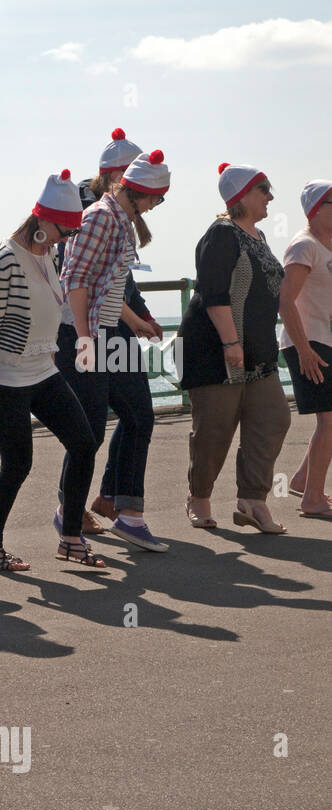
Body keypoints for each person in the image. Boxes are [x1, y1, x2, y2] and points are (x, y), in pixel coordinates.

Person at [0, 171, 104, 569]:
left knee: (83, 443)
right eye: (65, 229)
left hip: (43, 372)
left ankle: (70, 538)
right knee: (17, 465)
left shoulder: (47, 253)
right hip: (6, 380)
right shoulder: (4, 260)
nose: (67, 237)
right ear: (43, 220)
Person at [59, 148, 171, 552]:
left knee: (138, 415)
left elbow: (108, 283)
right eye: (157, 199)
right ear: (140, 193)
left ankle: (128, 515)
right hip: (84, 336)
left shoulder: (119, 219)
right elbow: (73, 278)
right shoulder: (100, 217)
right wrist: (87, 340)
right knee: (87, 433)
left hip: (106, 332)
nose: (156, 207)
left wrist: (136, 320)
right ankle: (71, 522)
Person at [178, 164, 289, 534]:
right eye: (264, 189)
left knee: (273, 418)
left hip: (259, 355)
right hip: (215, 351)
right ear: (241, 195)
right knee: (214, 429)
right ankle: (200, 497)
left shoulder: (256, 235)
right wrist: (231, 342)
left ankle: (251, 501)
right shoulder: (221, 235)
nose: (271, 196)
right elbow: (214, 294)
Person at [278, 180, 332, 517]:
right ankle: (313, 498)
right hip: (308, 342)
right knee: (329, 421)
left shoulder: (328, 245)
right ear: (316, 208)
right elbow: (285, 301)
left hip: (325, 339)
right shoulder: (304, 246)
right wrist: (303, 349)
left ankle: (300, 479)